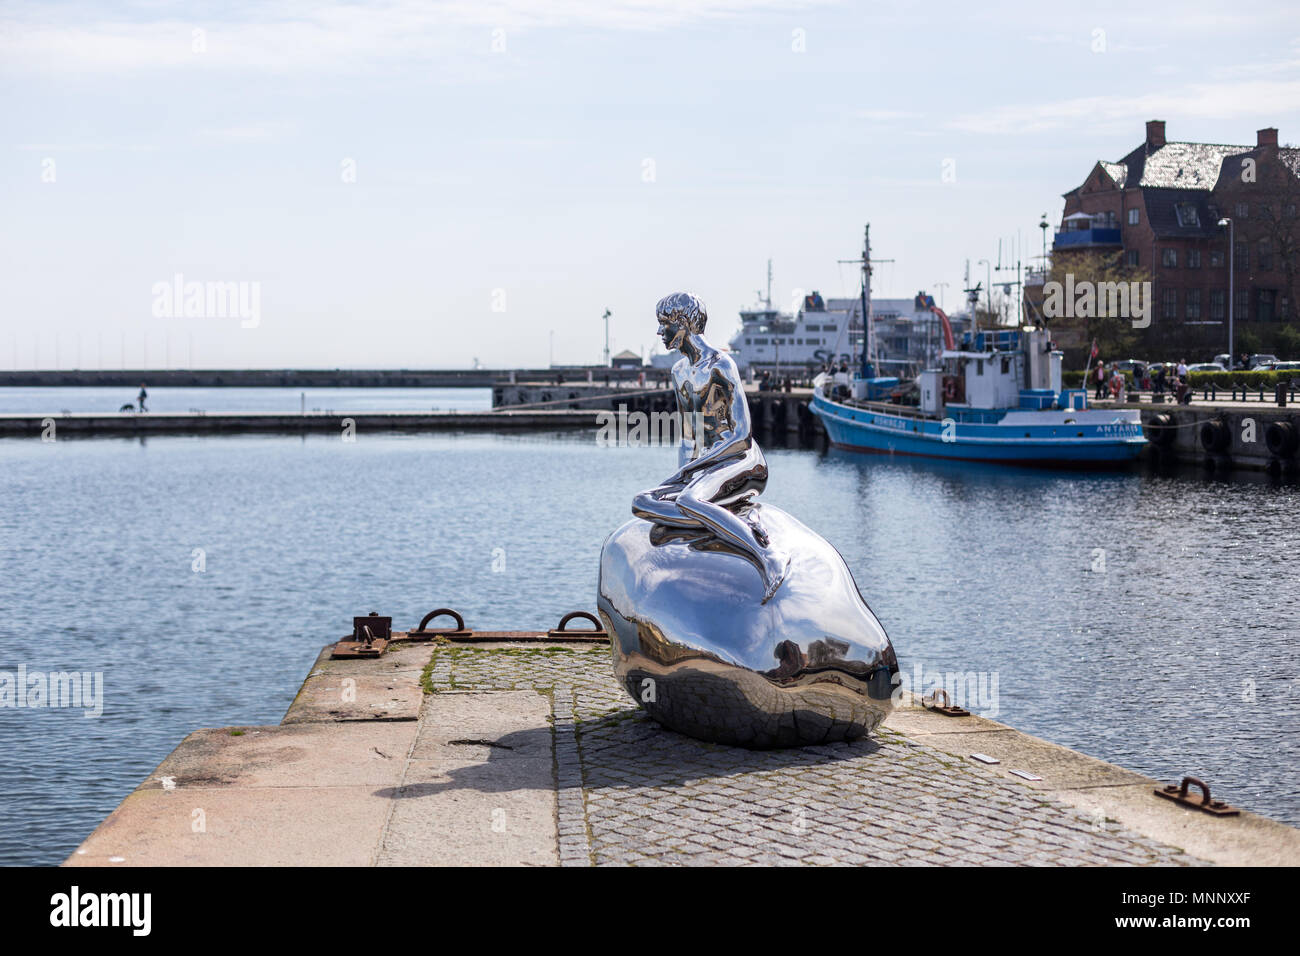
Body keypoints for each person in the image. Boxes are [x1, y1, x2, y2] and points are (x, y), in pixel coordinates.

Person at [632, 292, 788, 602]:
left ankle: (767, 555)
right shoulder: (679, 372)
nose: (660, 332)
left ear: (684, 324)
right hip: (704, 469)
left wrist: (690, 473)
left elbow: (742, 435)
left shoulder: (721, 364)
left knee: (689, 501)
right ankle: (733, 519)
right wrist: (681, 474)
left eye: (665, 324)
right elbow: (689, 438)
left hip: (740, 461)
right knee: (642, 502)